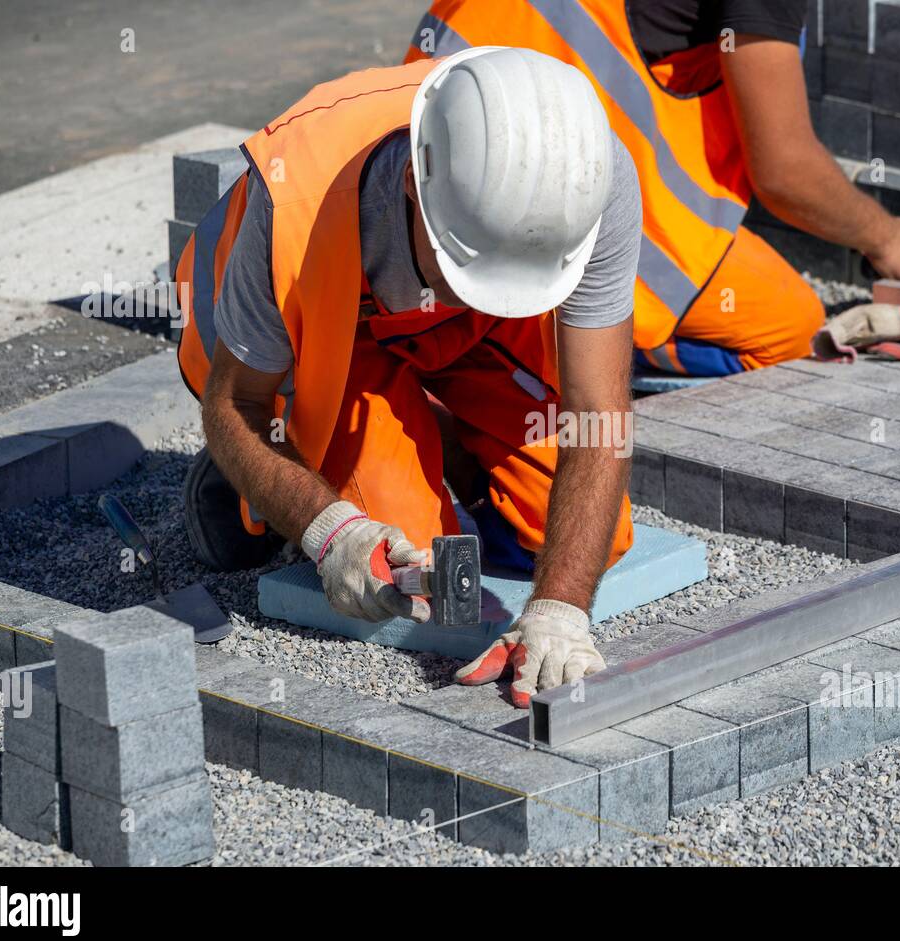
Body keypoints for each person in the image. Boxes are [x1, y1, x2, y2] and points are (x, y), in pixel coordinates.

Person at [174, 48, 643, 706]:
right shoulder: (297, 200)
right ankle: (256, 488)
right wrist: (327, 530)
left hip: (456, 334)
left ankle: (439, 436)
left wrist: (560, 609)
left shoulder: (586, 180)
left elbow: (599, 416)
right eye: (470, 269)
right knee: (407, 572)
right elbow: (236, 404)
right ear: (411, 190)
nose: (491, 292)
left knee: (596, 539)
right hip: (316, 335)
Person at [406, 0, 900, 376]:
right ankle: (590, 349)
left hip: (427, 134)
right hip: (544, 184)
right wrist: (887, 237)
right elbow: (785, 171)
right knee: (792, 326)